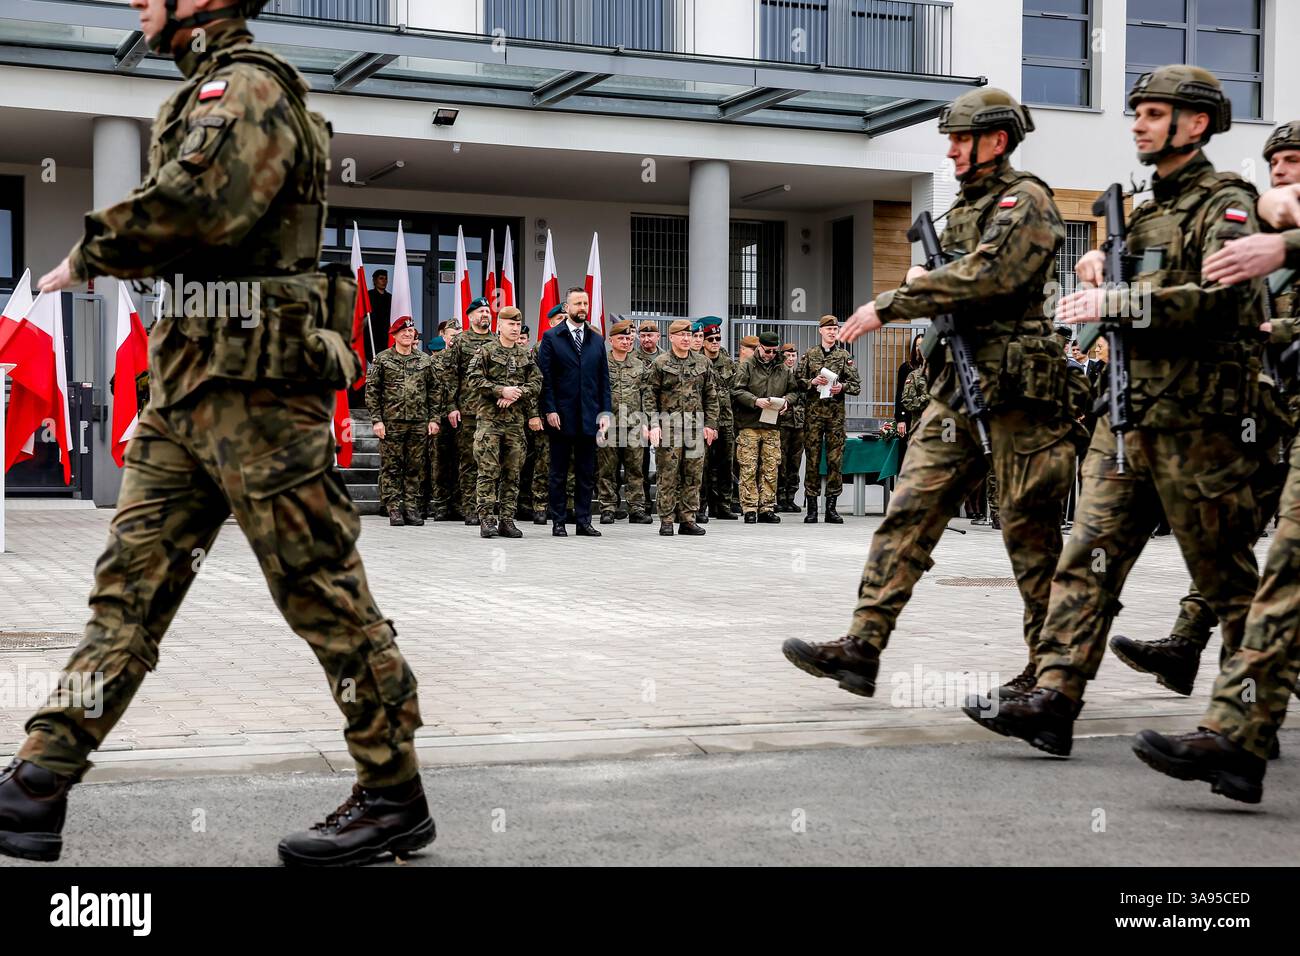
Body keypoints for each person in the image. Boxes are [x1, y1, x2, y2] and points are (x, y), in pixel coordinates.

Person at [0, 0, 432, 868]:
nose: (137, 1)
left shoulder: (247, 88)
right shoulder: (203, 92)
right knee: (127, 592)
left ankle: (393, 793)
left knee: (321, 593)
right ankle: (38, 781)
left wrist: (93, 250)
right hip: (186, 389)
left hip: (261, 394)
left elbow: (205, 207)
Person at [962, 67, 1273, 767]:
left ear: (1197, 123)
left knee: (1225, 579)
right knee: (1085, 561)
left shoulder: (1226, 203)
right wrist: (1105, 268)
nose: (1138, 123)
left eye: (1155, 113)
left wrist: (1122, 302)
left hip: (1199, 422)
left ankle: (1244, 730)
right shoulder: (1142, 210)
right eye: (1137, 112)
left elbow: (1227, 301)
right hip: (1127, 414)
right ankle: (1054, 699)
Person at [783, 88, 1082, 701]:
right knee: (908, 513)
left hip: (1019, 393)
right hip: (956, 390)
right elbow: (952, 279)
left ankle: (1051, 677)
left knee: (1029, 536)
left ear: (997, 140)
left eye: (961, 139)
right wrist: (924, 280)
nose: (950, 150)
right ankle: (863, 646)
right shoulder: (961, 210)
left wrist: (897, 300)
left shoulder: (1026, 200)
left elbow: (988, 275)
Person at [1108, 118, 1300, 701]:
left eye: (1293, 161)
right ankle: (1189, 646)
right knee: (1227, 538)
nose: (1280, 171)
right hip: (1265, 412)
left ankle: (1254, 674)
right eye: (1275, 162)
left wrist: (1277, 329)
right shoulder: (1255, 234)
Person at [537, 287, 613, 537]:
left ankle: (583, 521)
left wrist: (605, 413)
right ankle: (558, 521)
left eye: (585, 303)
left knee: (586, 473)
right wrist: (549, 409)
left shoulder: (596, 340)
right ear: (566, 307)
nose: (582, 308)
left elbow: (604, 381)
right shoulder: (552, 337)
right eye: (578, 303)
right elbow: (545, 379)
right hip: (561, 416)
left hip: (589, 416)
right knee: (558, 473)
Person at [466, 306, 541, 539]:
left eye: (518, 324)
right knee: (488, 471)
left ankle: (507, 519)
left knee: (513, 472)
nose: (515, 328)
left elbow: (537, 382)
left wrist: (516, 393)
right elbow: (473, 379)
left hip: (515, 423)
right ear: (499, 326)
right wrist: (500, 391)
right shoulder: (486, 351)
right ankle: (487, 519)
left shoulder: (525, 354)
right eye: (511, 324)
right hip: (490, 422)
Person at [642, 319, 719, 536]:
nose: (686, 339)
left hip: (695, 428)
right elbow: (649, 396)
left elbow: (711, 396)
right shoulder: (661, 363)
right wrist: (653, 424)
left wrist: (711, 424)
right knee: (668, 475)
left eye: (689, 335)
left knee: (693, 475)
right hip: (669, 428)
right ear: (671, 337)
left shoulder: (703, 362)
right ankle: (667, 519)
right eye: (682, 335)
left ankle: (688, 519)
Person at [368, 316, 441, 526]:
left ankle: (411, 507)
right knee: (391, 466)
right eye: (404, 332)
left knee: (415, 466)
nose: (408, 334)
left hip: (419, 421)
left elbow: (435, 390)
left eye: (411, 331)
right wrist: (377, 420)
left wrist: (434, 419)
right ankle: (393, 508)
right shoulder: (382, 359)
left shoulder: (425, 360)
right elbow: (372, 391)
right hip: (392, 422)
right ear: (394, 335)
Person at [797, 316, 862, 524]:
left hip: (835, 417)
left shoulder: (844, 356)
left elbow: (856, 386)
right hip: (813, 416)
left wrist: (842, 387)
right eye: (829, 329)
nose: (832, 332)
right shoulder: (810, 354)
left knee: (835, 461)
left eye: (835, 329)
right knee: (813, 460)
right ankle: (812, 508)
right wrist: (812, 381)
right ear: (821, 331)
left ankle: (831, 508)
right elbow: (797, 381)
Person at [732, 331, 799, 522]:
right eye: (767, 351)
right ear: (759, 347)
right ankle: (749, 508)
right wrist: (755, 401)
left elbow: (794, 391)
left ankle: (767, 507)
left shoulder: (782, 368)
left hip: (772, 424)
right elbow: (736, 390)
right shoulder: (747, 366)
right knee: (748, 467)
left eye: (774, 351)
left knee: (771, 467)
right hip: (749, 423)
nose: (770, 354)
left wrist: (786, 402)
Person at [597, 320, 652, 524]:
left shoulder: (639, 364)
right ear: (611, 340)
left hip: (634, 425)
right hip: (609, 424)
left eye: (629, 338)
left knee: (635, 469)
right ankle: (608, 508)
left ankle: (636, 508)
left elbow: (647, 395)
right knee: (607, 469)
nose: (626, 342)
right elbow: (594, 392)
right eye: (621, 338)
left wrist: (646, 422)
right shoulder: (601, 363)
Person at [447, 296, 495, 525]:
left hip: (493, 411)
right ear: (470, 316)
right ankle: (469, 508)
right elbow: (450, 376)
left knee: (490, 461)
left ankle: (487, 507)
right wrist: (451, 406)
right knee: (468, 460)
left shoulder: (497, 340)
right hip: (468, 411)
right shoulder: (460, 341)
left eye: (487, 311)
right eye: (480, 311)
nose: (485, 314)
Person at [528, 304, 569, 523]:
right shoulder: (540, 347)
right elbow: (535, 385)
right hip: (546, 413)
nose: (563, 322)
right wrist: (535, 414)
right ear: (551, 322)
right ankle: (540, 505)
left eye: (565, 318)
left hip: (569, 414)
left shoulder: (577, 345)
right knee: (544, 462)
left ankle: (566, 506)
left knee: (569, 463)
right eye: (558, 319)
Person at [700, 316, 738, 521]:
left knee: (725, 465)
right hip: (705, 422)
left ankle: (723, 505)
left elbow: (736, 389)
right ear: (703, 341)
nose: (715, 342)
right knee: (703, 465)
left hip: (726, 421)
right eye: (711, 339)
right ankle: (701, 506)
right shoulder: (698, 361)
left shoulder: (728, 362)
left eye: (718, 339)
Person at [777, 342, 805, 512]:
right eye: (787, 356)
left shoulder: (801, 374)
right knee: (781, 461)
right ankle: (780, 497)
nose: (791, 359)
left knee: (795, 461)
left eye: (793, 356)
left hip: (799, 423)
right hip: (782, 422)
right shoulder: (778, 373)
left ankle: (790, 497)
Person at [893, 332, 925, 441]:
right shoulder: (906, 367)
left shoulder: (933, 368)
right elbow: (900, 393)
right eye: (917, 345)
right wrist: (900, 419)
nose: (919, 348)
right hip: (909, 416)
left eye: (922, 345)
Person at [366, 268, 392, 364]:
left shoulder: (390, 297)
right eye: (381, 278)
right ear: (374, 280)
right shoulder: (368, 296)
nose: (384, 281)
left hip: (386, 336)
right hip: (371, 335)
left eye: (386, 279)